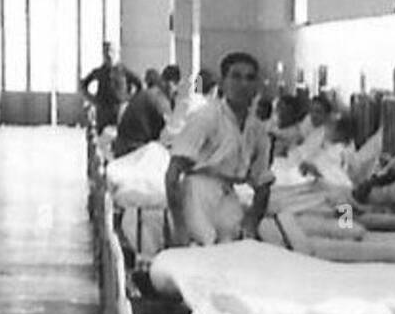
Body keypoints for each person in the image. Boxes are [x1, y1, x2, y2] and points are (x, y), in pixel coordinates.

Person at [165, 51, 274, 246]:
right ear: (222, 83)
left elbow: (263, 182)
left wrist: (252, 221)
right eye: (236, 77)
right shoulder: (207, 117)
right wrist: (179, 226)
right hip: (200, 191)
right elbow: (173, 173)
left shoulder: (258, 130)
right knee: (205, 250)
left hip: (229, 193)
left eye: (250, 78)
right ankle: (347, 224)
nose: (243, 84)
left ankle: (347, 226)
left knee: (236, 249)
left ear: (256, 86)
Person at [112, 64, 181, 158]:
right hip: (134, 151)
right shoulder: (160, 99)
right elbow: (169, 133)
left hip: (122, 148)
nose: (176, 91)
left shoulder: (147, 93)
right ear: (170, 83)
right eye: (176, 86)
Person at [81, 42, 136, 134]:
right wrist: (92, 99)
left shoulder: (123, 71)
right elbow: (83, 85)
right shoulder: (99, 72)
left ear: (116, 53)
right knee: (101, 136)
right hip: (103, 110)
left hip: (119, 109)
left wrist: (129, 99)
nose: (109, 55)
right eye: (106, 52)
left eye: (111, 51)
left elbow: (139, 84)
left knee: (120, 135)